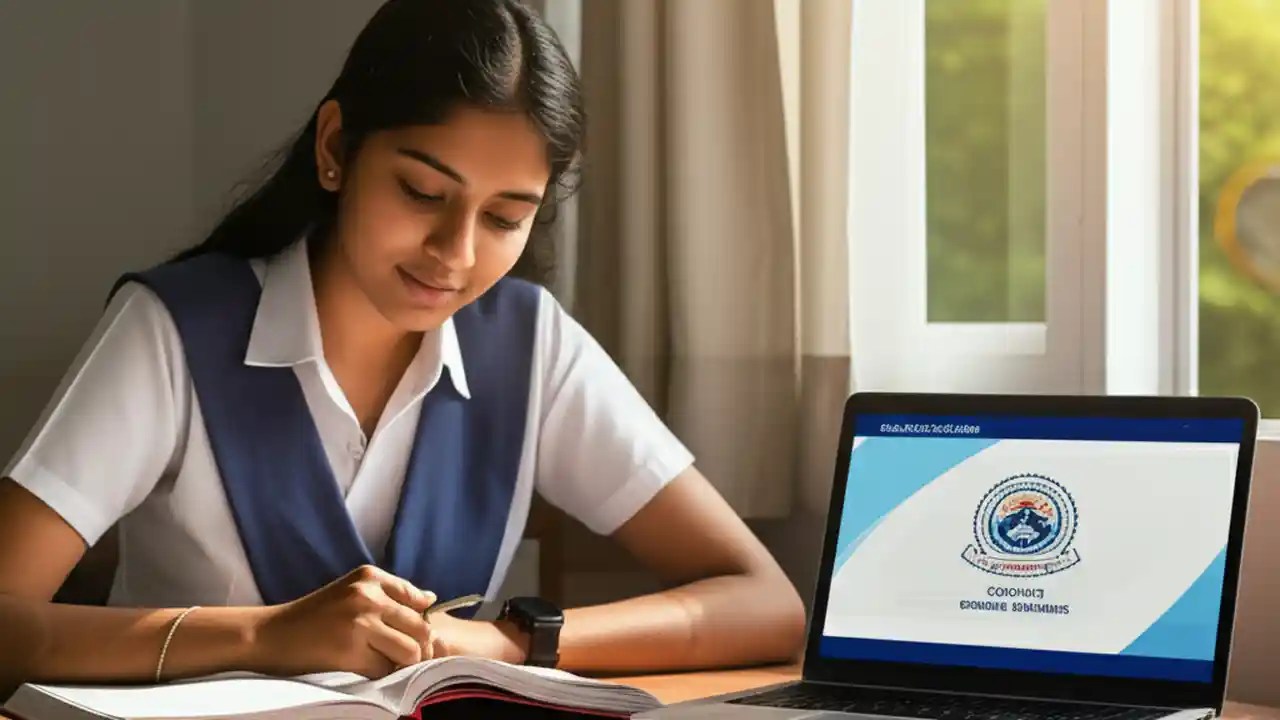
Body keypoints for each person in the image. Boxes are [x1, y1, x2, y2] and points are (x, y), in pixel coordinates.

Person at [0, 0, 805, 694]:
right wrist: (261, 636)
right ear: (335, 150)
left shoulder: (530, 347)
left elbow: (766, 604)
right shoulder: (172, 330)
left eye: (503, 218)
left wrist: (503, 644)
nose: (455, 253)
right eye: (423, 192)